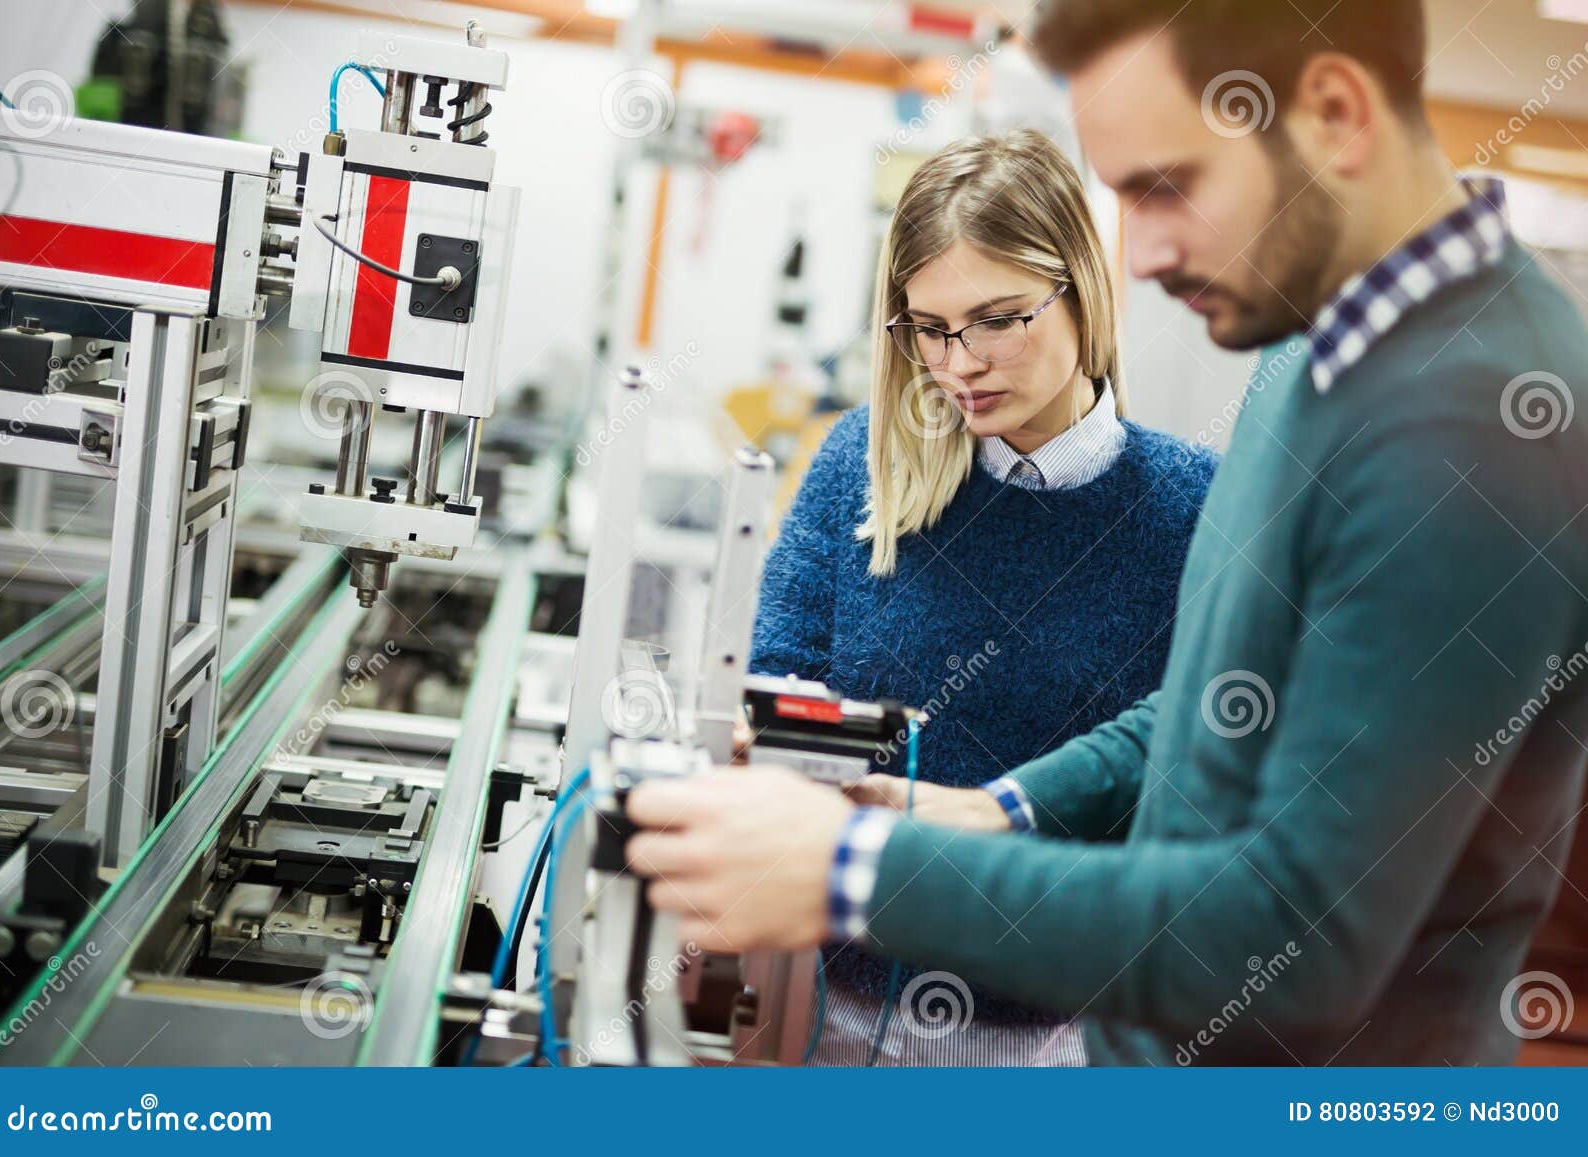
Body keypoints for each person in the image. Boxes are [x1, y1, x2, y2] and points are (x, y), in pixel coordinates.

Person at [623, 0, 1588, 1066]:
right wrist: (1004, 806)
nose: (1139, 257)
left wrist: (855, 870)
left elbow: (1302, 936)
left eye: (1168, 186)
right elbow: (1214, 698)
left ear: (1334, 114)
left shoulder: (1481, 415)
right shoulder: (1314, 351)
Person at [748, 129, 1216, 1064]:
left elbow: (1191, 779)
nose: (959, 362)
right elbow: (777, 687)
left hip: (1061, 1041)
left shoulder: (1198, 507)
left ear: (1082, 289)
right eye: (929, 327)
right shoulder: (861, 463)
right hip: (829, 1012)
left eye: (999, 318)